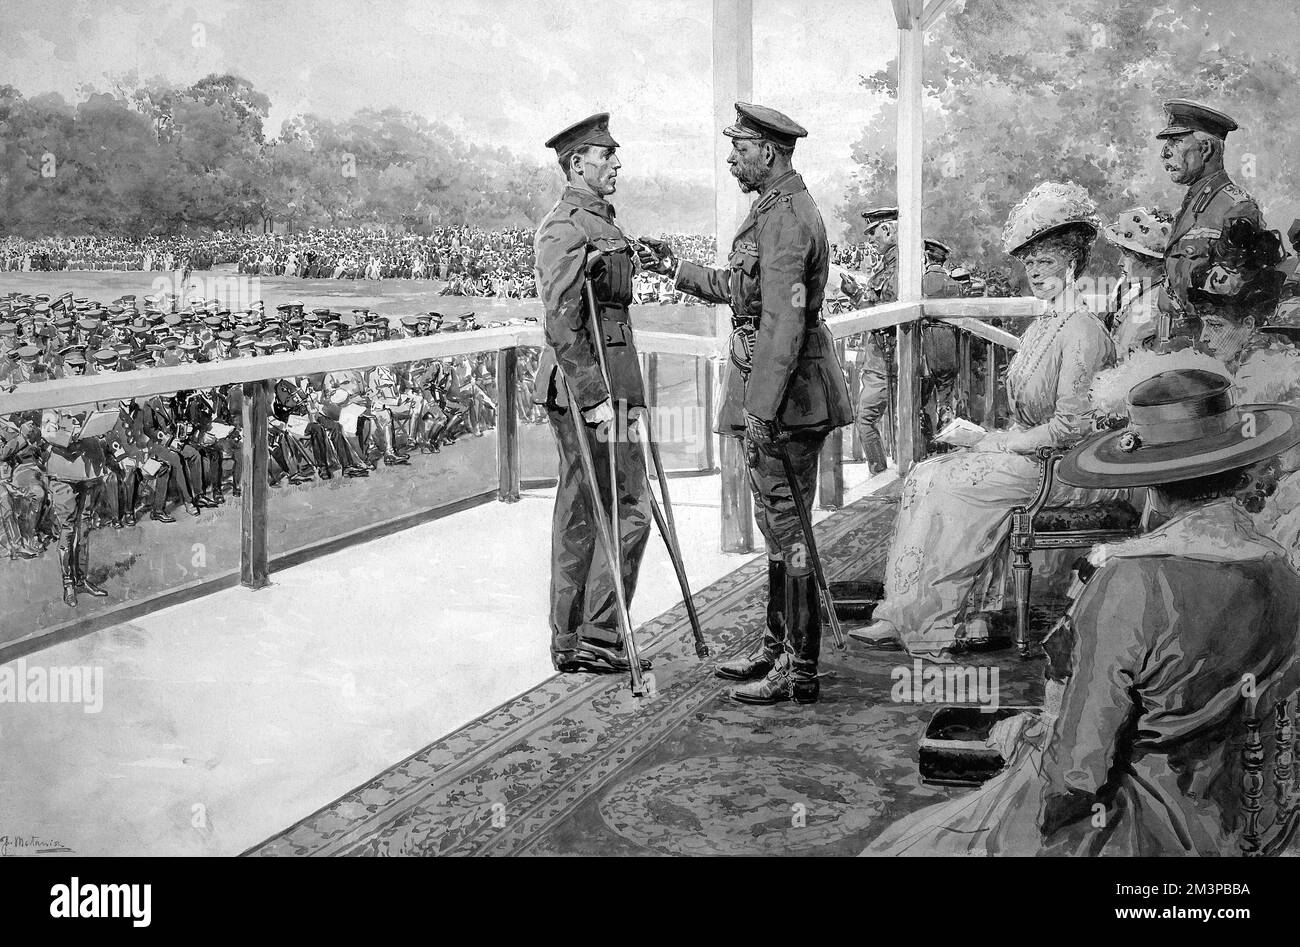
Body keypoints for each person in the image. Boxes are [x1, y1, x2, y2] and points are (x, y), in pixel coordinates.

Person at [865, 368, 1300, 856]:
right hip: (1252, 811)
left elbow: (1077, 773)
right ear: (1239, 472)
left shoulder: (1132, 581)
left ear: (1149, 484)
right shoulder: (1279, 568)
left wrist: (1036, 811)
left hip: (1150, 826)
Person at [640, 102, 852, 704]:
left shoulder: (785, 216)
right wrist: (677, 269)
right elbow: (747, 291)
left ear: (770, 151)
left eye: (739, 148)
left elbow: (785, 322)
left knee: (789, 530)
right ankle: (776, 644)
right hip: (778, 392)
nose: (732, 158)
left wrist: (760, 410)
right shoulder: (772, 208)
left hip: (787, 399)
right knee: (778, 522)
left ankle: (799, 667)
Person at [853, 182, 1120, 659]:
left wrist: (1000, 445)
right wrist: (992, 437)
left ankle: (932, 623)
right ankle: (909, 612)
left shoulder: (1082, 330)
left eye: (1048, 263)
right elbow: (1025, 412)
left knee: (956, 485)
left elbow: (1071, 427)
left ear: (1073, 265)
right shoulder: (1043, 326)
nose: (1037, 273)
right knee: (926, 474)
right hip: (1033, 452)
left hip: (1069, 466)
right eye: (1031, 264)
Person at [533, 112, 652, 675]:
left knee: (599, 508)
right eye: (607, 156)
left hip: (614, 384)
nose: (617, 164)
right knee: (614, 509)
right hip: (588, 392)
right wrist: (595, 400)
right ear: (578, 163)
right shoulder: (564, 226)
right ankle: (591, 634)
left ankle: (582, 634)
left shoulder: (601, 221)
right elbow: (561, 321)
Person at [1156, 99, 1286, 345]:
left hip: (1212, 344)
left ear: (1205, 150)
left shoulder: (1236, 208)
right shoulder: (1193, 204)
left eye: (1175, 142)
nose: (1165, 153)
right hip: (1179, 341)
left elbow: (1244, 302)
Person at [1101, 206, 1170, 355]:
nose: (1120, 262)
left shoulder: (1152, 304)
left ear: (1148, 261)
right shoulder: (1128, 286)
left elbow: (1124, 353)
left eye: (1127, 256)